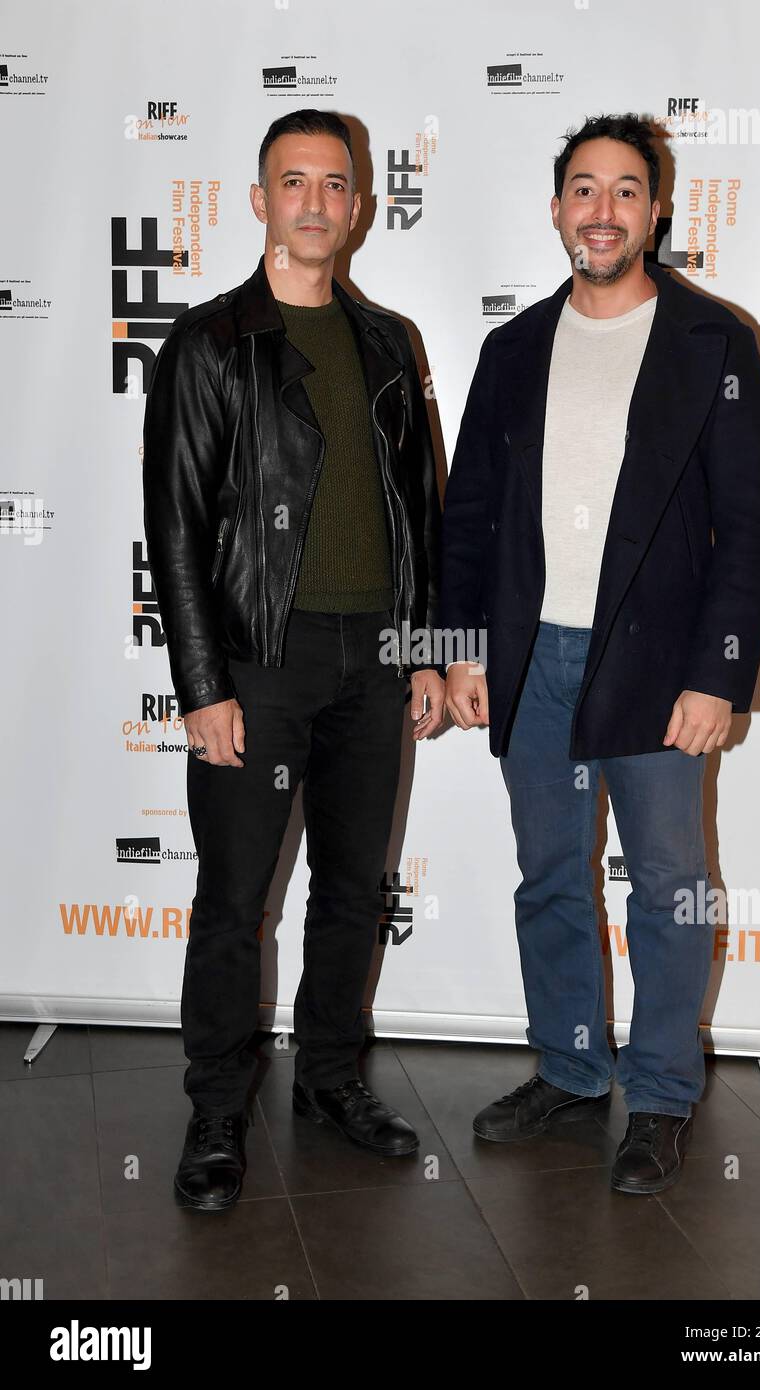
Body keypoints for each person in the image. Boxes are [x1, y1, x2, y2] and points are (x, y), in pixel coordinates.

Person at [440, 113, 760, 1193]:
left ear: (655, 211)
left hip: (659, 664)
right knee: (549, 876)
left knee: (669, 883)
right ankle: (573, 1069)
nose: (600, 210)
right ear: (554, 210)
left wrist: (716, 676)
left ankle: (664, 1093)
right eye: (581, 190)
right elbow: (468, 520)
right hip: (530, 658)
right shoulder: (510, 349)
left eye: (623, 191)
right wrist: (456, 650)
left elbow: (748, 522)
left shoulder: (712, 342)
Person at [142, 109, 445, 1211]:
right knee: (234, 897)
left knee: (352, 887)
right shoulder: (210, 342)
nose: (315, 202)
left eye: (335, 184)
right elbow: (173, 525)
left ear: (360, 205)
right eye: (294, 181)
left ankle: (327, 1079)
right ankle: (217, 1104)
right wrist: (201, 685)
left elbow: (421, 511)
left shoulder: (390, 340)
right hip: (259, 663)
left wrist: (421, 649)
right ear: (259, 198)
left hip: (374, 658)